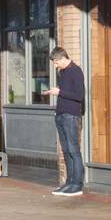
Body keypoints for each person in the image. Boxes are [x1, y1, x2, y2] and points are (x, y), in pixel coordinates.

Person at [43, 47, 85, 197]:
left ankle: (77, 184)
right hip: (61, 115)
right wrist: (54, 93)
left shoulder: (76, 71)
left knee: (74, 150)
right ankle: (69, 182)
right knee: (66, 150)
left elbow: (79, 96)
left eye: (55, 62)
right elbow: (67, 93)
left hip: (71, 116)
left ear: (62, 58)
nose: (55, 66)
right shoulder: (64, 72)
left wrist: (59, 92)